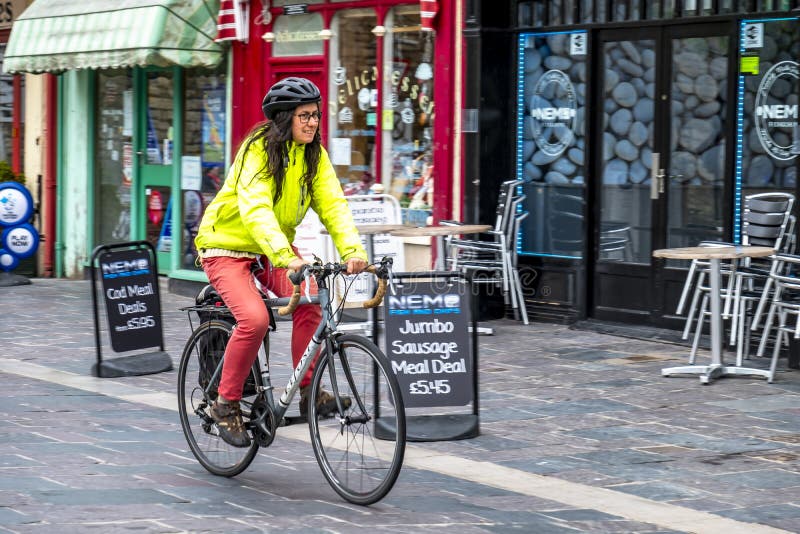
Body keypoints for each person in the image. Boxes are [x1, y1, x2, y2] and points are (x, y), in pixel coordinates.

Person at [194, 77, 368, 447]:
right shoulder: (256, 151)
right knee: (254, 318)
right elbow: (255, 209)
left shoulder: (313, 156)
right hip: (225, 247)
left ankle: (308, 392)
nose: (312, 122)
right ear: (284, 118)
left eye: (316, 115)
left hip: (270, 250)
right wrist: (285, 256)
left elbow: (334, 205)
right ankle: (225, 404)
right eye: (304, 116)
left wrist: (353, 250)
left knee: (311, 297)